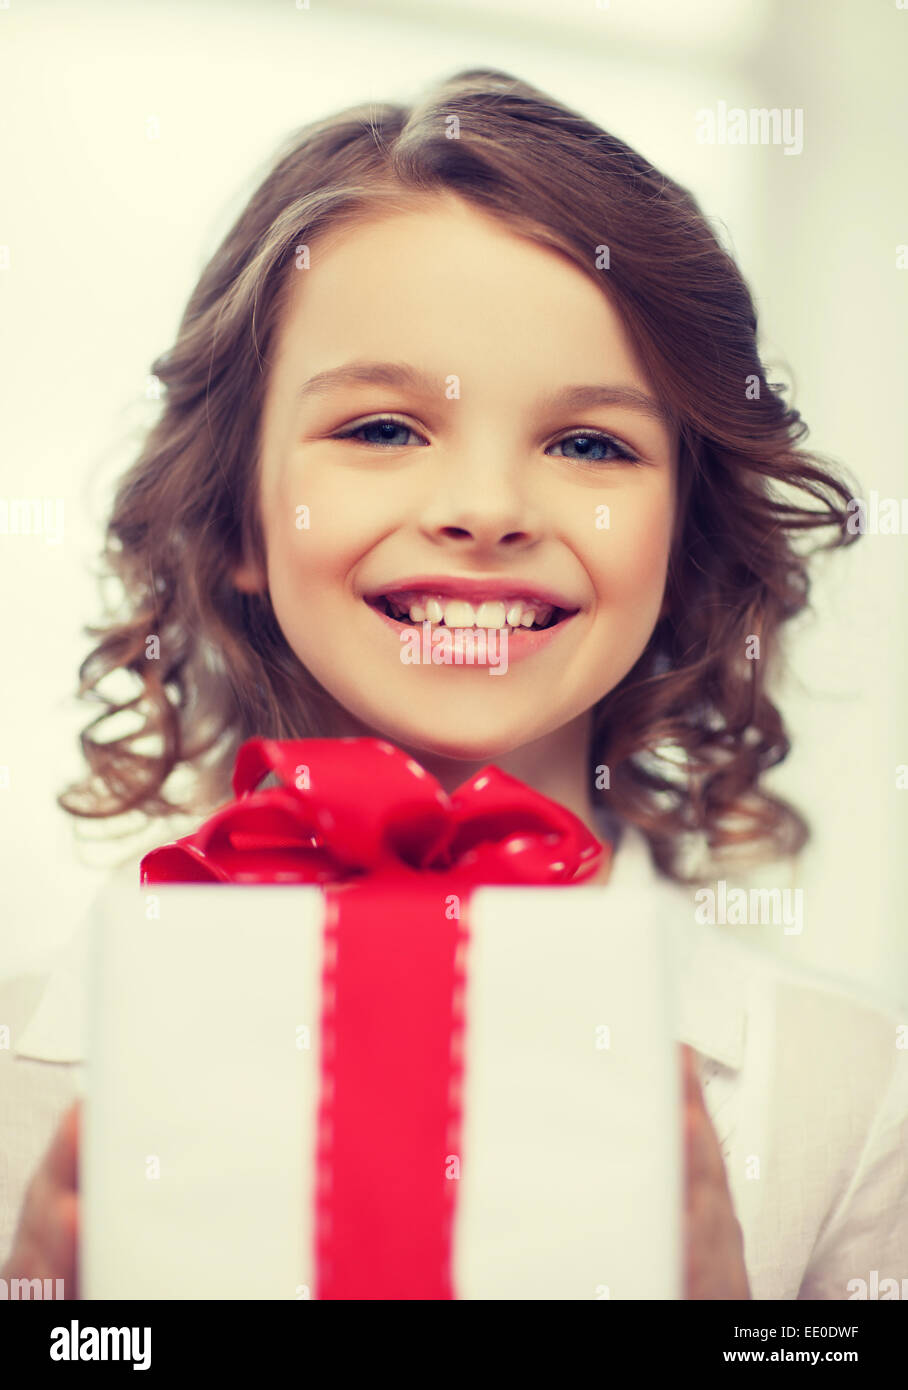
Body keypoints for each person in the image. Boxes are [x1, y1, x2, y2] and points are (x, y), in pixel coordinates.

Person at [2, 68, 905, 1300]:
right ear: (237, 520)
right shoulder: (18, 1076)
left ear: (680, 536)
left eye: (589, 443)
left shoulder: (852, 1096)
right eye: (381, 428)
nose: (484, 511)